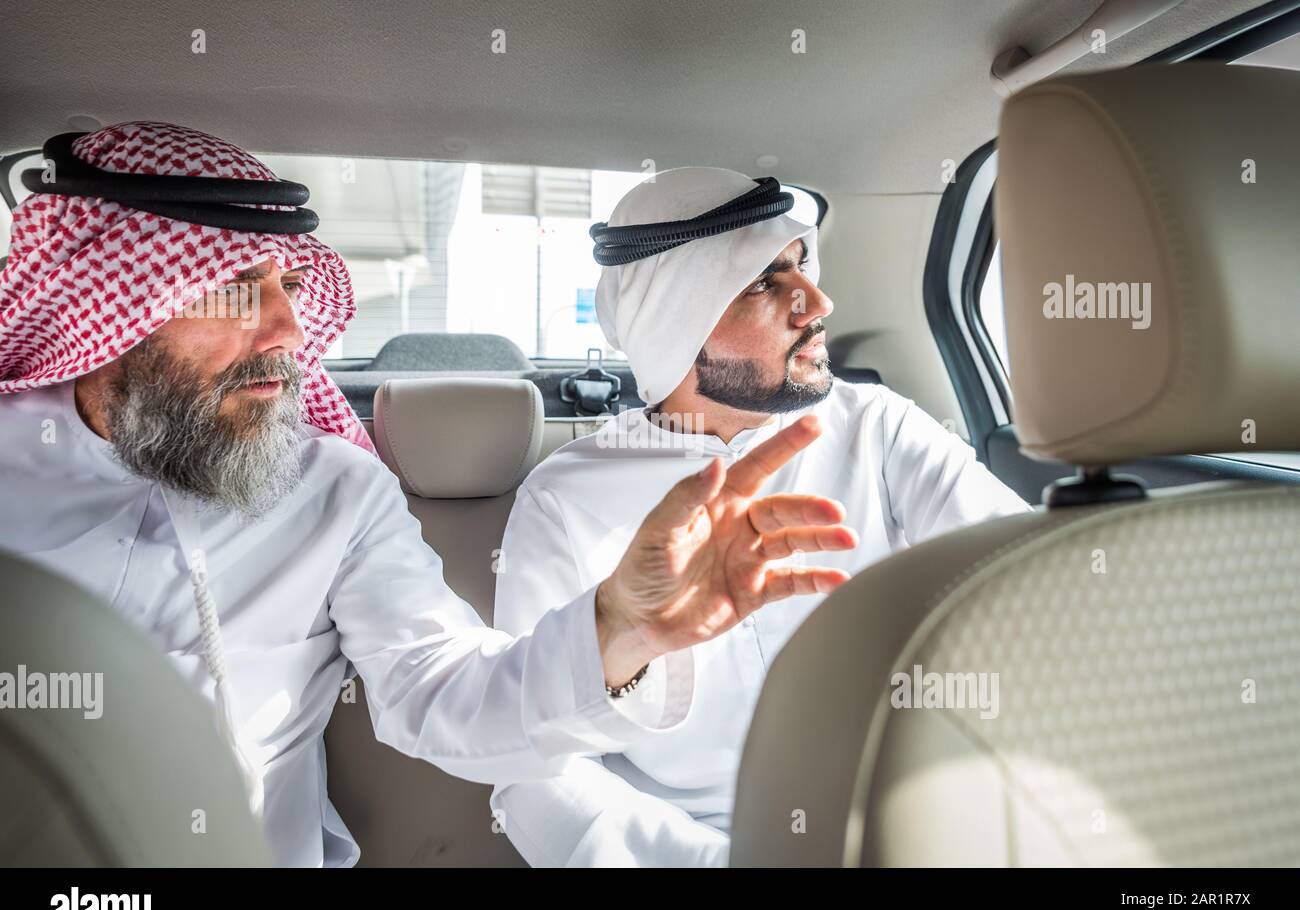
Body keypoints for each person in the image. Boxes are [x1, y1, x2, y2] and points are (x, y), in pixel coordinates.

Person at [0, 127, 859, 866]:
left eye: (290, 289)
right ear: (108, 309)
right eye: (234, 293)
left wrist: (619, 629)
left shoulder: (331, 489)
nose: (290, 334)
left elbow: (442, 688)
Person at [490, 167, 1032, 866]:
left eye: (802, 265)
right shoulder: (563, 500)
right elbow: (535, 764)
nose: (818, 300)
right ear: (674, 327)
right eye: (763, 283)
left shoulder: (877, 426)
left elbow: (1026, 584)